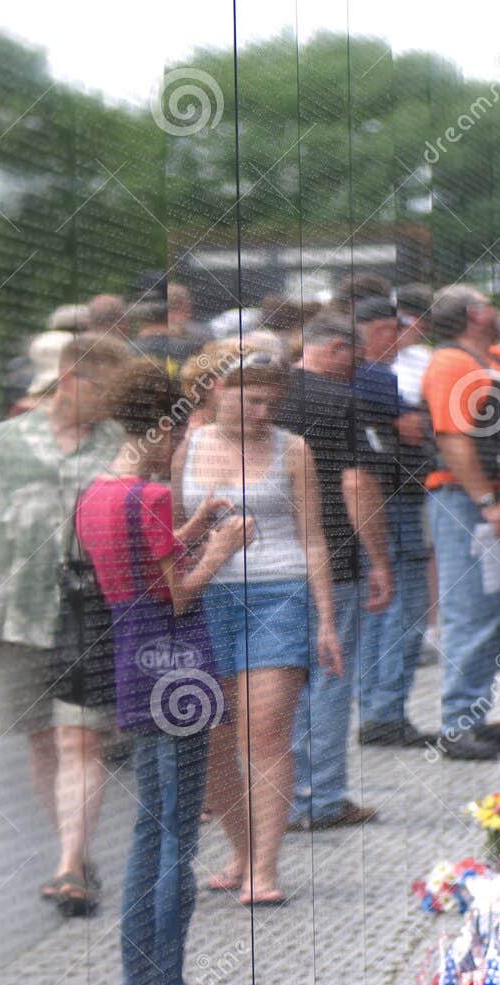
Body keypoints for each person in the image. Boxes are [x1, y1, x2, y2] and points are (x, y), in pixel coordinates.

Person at [80, 363, 247, 985]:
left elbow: (145, 567)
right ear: (168, 425)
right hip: (179, 668)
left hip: (134, 662)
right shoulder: (147, 494)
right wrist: (224, 546)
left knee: (149, 833)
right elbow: (177, 591)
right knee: (177, 836)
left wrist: (196, 526)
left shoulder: (98, 493)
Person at [0, 334, 128, 916]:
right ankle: (74, 852)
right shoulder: (3, 442)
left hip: (94, 613)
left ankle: (68, 862)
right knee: (42, 739)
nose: (108, 403)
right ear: (68, 379)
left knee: (81, 739)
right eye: (100, 391)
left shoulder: (122, 443)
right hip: (20, 611)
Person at [178, 350, 340, 905]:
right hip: (206, 596)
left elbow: (313, 535)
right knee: (217, 738)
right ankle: (241, 850)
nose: (263, 410)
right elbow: (168, 533)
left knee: (265, 732)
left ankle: (265, 869)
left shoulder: (293, 449)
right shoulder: (188, 445)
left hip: (279, 591)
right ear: (218, 391)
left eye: (273, 401)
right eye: (252, 398)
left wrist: (326, 618)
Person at [282, 312, 392, 830]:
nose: (359, 365)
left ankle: (278, 800)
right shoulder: (341, 403)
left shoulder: (268, 397)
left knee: (279, 684)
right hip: (332, 556)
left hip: (264, 562)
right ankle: (321, 799)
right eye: (354, 354)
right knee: (329, 676)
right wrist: (380, 559)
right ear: (333, 348)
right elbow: (355, 486)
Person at [420, 285, 500, 758]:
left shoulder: (493, 359)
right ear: (475, 313)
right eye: (488, 303)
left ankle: (473, 714)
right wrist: (487, 500)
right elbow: (453, 439)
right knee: (473, 611)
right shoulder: (452, 363)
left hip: (494, 503)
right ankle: (458, 723)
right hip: (469, 502)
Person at [353, 295, 436, 747]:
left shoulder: (360, 375)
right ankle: (386, 711)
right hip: (395, 499)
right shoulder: (375, 377)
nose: (395, 338)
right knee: (405, 606)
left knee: (379, 610)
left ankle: (375, 708)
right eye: (387, 329)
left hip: (371, 501)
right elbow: (413, 430)